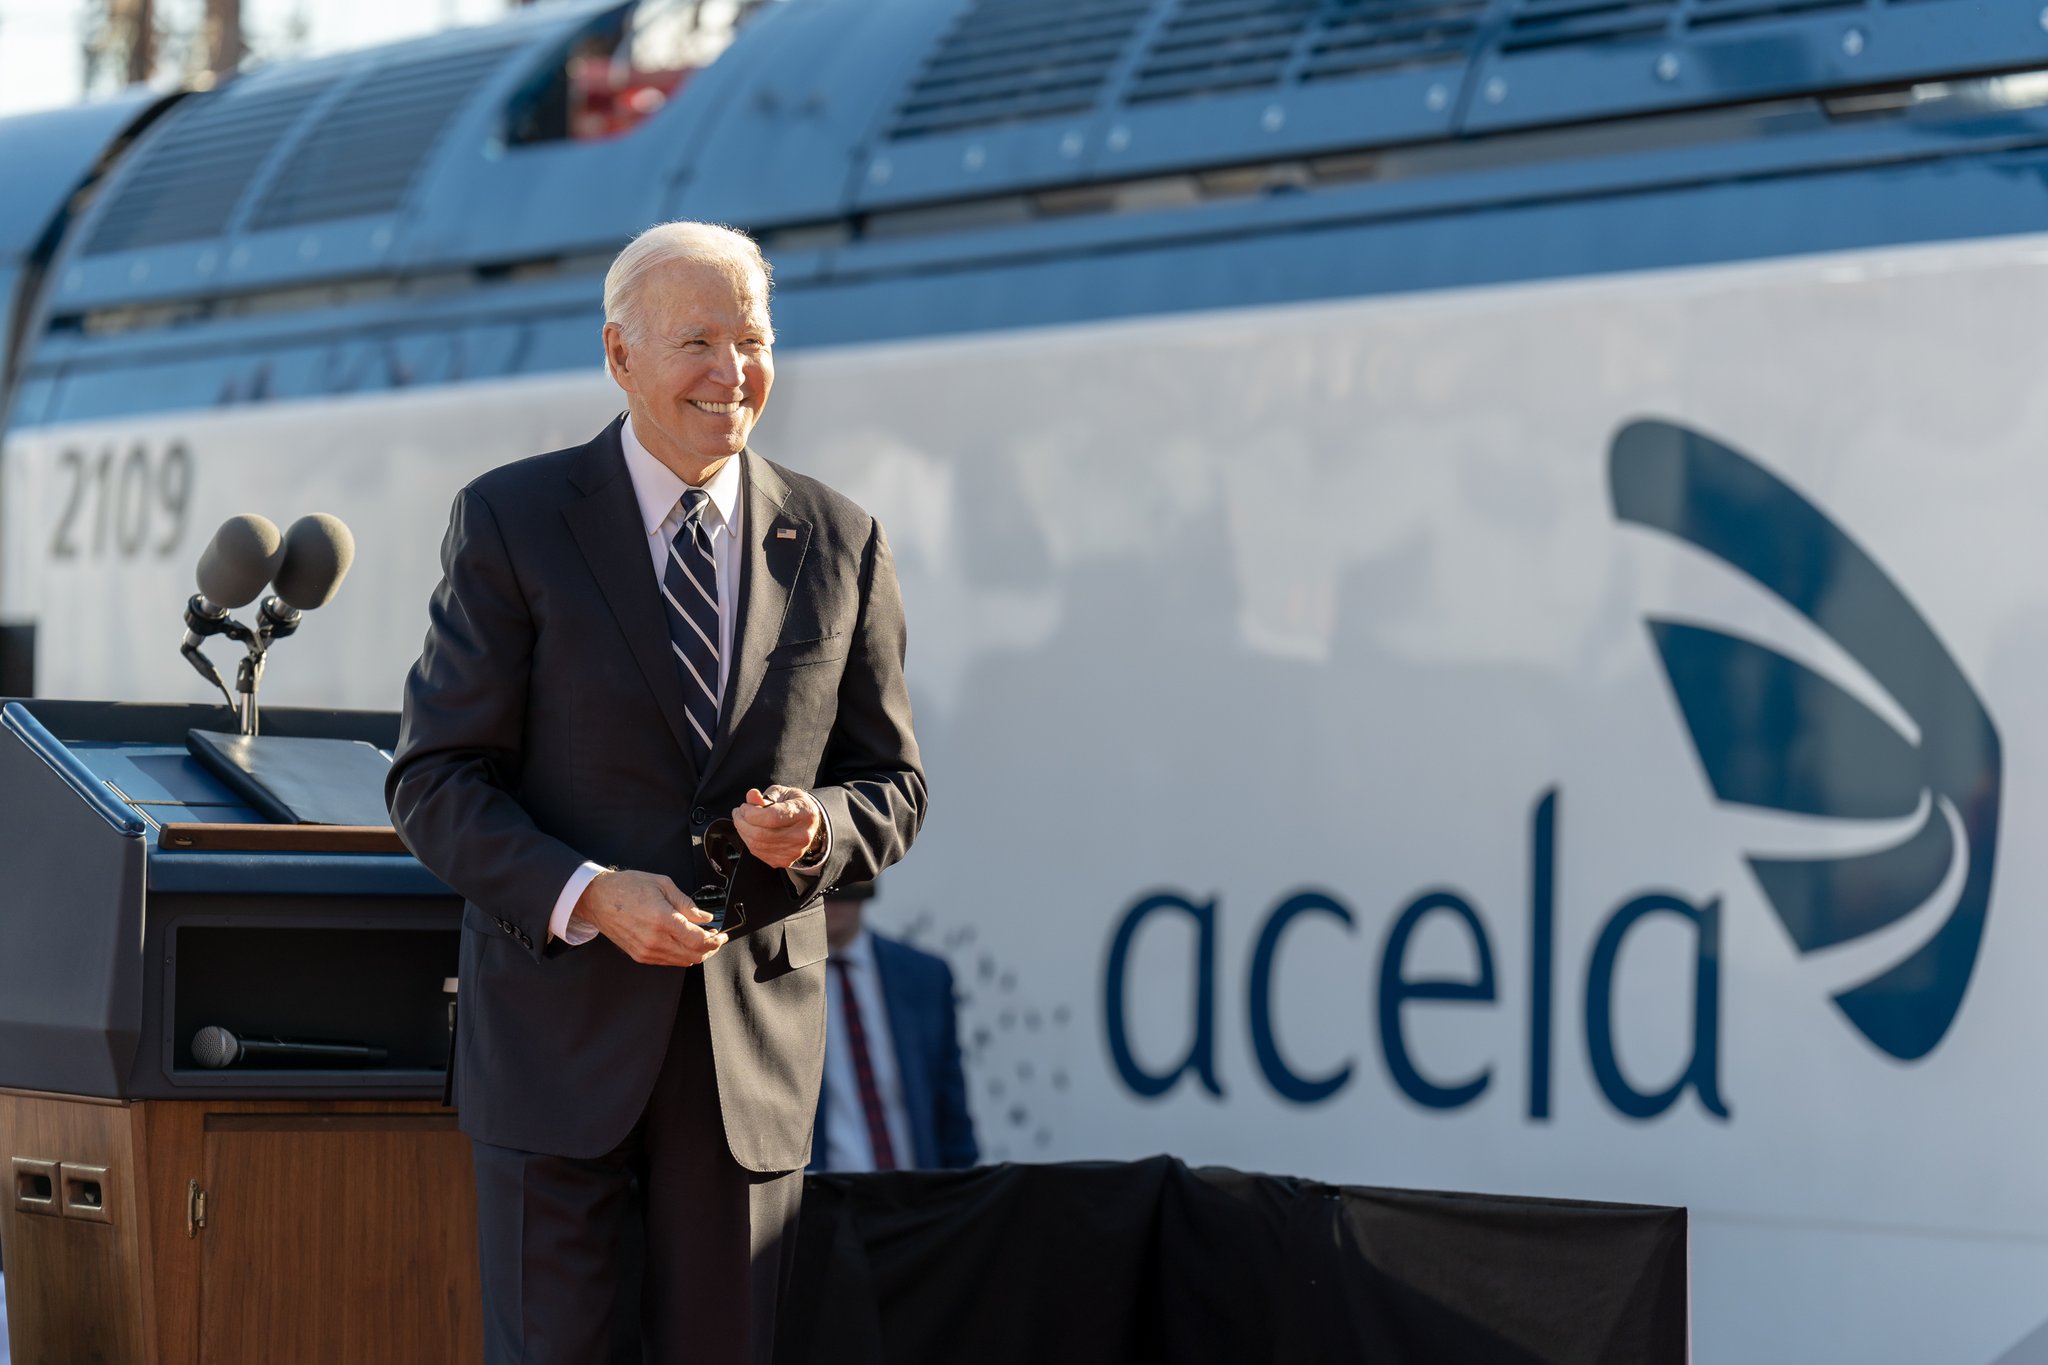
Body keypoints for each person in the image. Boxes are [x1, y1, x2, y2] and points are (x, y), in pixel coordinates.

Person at [386, 220, 925, 1365]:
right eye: (696, 342)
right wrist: (587, 893)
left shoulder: (840, 539)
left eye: (752, 340)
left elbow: (891, 784)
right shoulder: (513, 521)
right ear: (619, 355)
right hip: (555, 1049)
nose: (731, 371)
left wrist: (815, 830)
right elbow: (435, 778)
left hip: (746, 1063)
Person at [810, 879, 977, 1173]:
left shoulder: (923, 974)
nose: (832, 896)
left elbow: (949, 1097)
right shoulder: (774, 985)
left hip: (915, 1188)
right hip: (824, 1190)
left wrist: (959, 1186)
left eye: (845, 877)